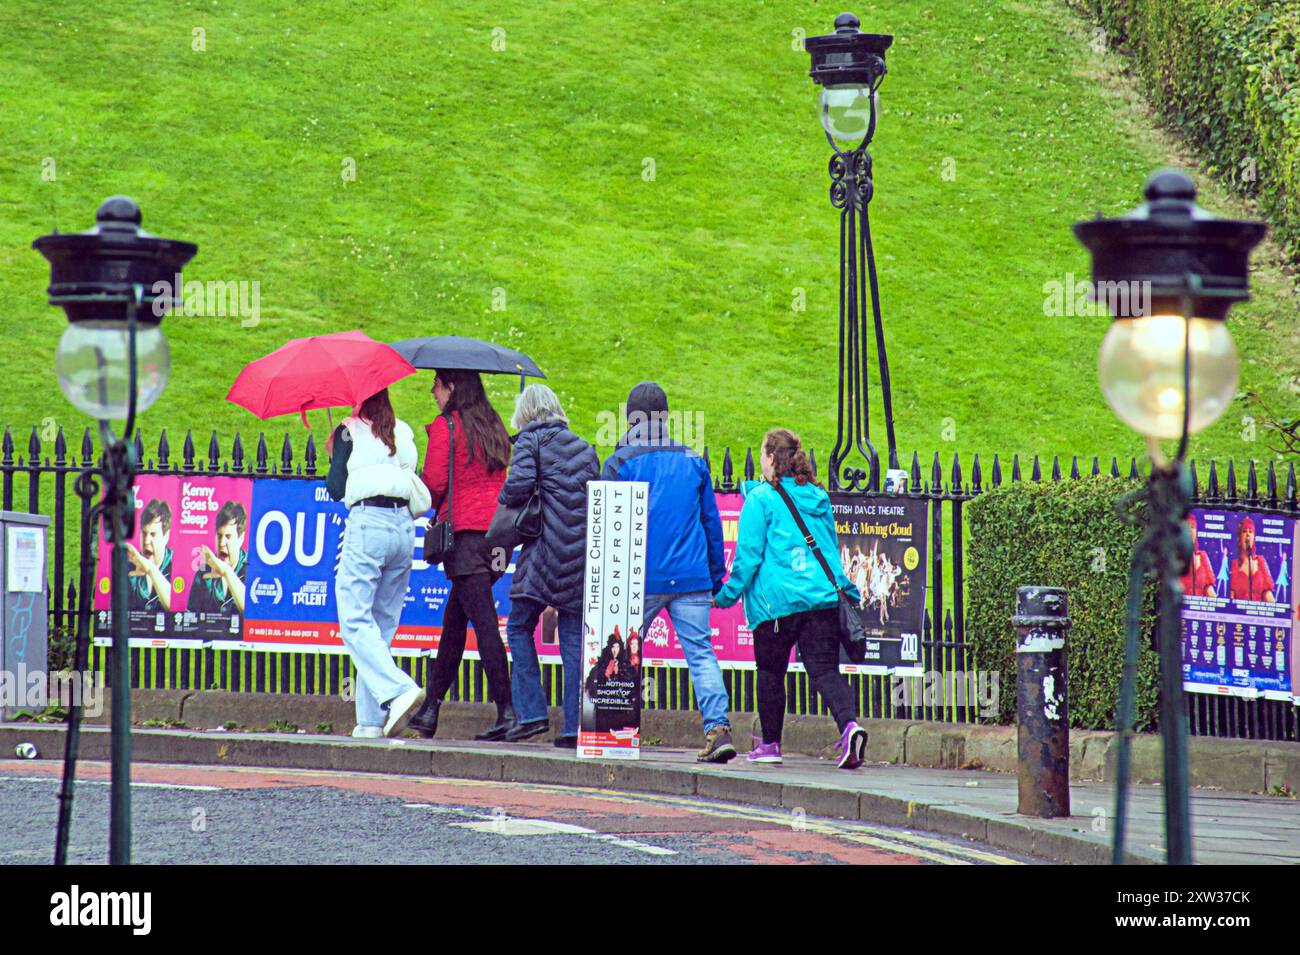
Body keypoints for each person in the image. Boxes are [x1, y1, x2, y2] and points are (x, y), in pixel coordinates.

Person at [713, 428, 868, 769]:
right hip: (821, 600)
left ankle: (770, 745)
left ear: (771, 458)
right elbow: (829, 546)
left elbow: (749, 557)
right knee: (825, 671)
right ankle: (850, 726)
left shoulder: (761, 499)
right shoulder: (817, 497)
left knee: (770, 671)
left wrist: (725, 597)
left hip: (777, 605)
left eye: (762, 454)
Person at [601, 381, 734, 763]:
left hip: (640, 577)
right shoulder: (693, 459)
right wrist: (713, 577)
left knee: (621, 649)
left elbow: (611, 527)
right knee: (700, 652)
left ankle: (615, 728)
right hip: (691, 576)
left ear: (631, 418)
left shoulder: (619, 462)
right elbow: (711, 523)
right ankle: (717, 728)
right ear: (666, 416)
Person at [408, 369, 515, 740]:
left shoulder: (447, 426)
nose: (432, 391)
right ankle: (430, 710)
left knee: (484, 622)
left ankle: (508, 711)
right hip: (498, 535)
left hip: (465, 535)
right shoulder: (493, 424)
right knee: (454, 623)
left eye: (436, 385)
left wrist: (425, 500)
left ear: (451, 387)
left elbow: (435, 484)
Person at [497, 383, 599, 747]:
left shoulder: (530, 441)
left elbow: (519, 486)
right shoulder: (584, 447)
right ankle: (574, 727)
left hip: (543, 551)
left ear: (525, 413)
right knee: (572, 639)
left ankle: (532, 712)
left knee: (519, 625)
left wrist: (504, 493)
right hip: (579, 556)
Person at [325, 387, 429, 739]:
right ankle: (370, 721)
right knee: (381, 625)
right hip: (403, 529)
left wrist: (335, 452)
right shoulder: (402, 431)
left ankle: (399, 690)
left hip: (368, 524)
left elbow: (336, 488)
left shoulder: (348, 430)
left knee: (354, 619)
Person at [190, 501, 248, 615]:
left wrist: (226, 572)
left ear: (241, 538)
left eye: (228, 536)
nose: (221, 543)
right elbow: (191, 616)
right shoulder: (204, 570)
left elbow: (252, 612)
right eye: (219, 535)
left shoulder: (252, 569)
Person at [126, 499, 175, 612]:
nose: (147, 541)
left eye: (153, 534)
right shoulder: (127, 566)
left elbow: (176, 607)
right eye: (144, 533)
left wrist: (151, 570)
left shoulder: (176, 567)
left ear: (166, 537)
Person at [1229, 516, 1275, 602]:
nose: (1248, 534)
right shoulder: (1234, 565)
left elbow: (1269, 597)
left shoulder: (1260, 562)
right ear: (1239, 538)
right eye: (1244, 531)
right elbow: (1231, 599)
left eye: (1251, 532)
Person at [1178, 513, 1215, 599]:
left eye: (1193, 527)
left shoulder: (1202, 556)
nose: (1190, 531)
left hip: (1200, 610)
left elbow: (1209, 590)